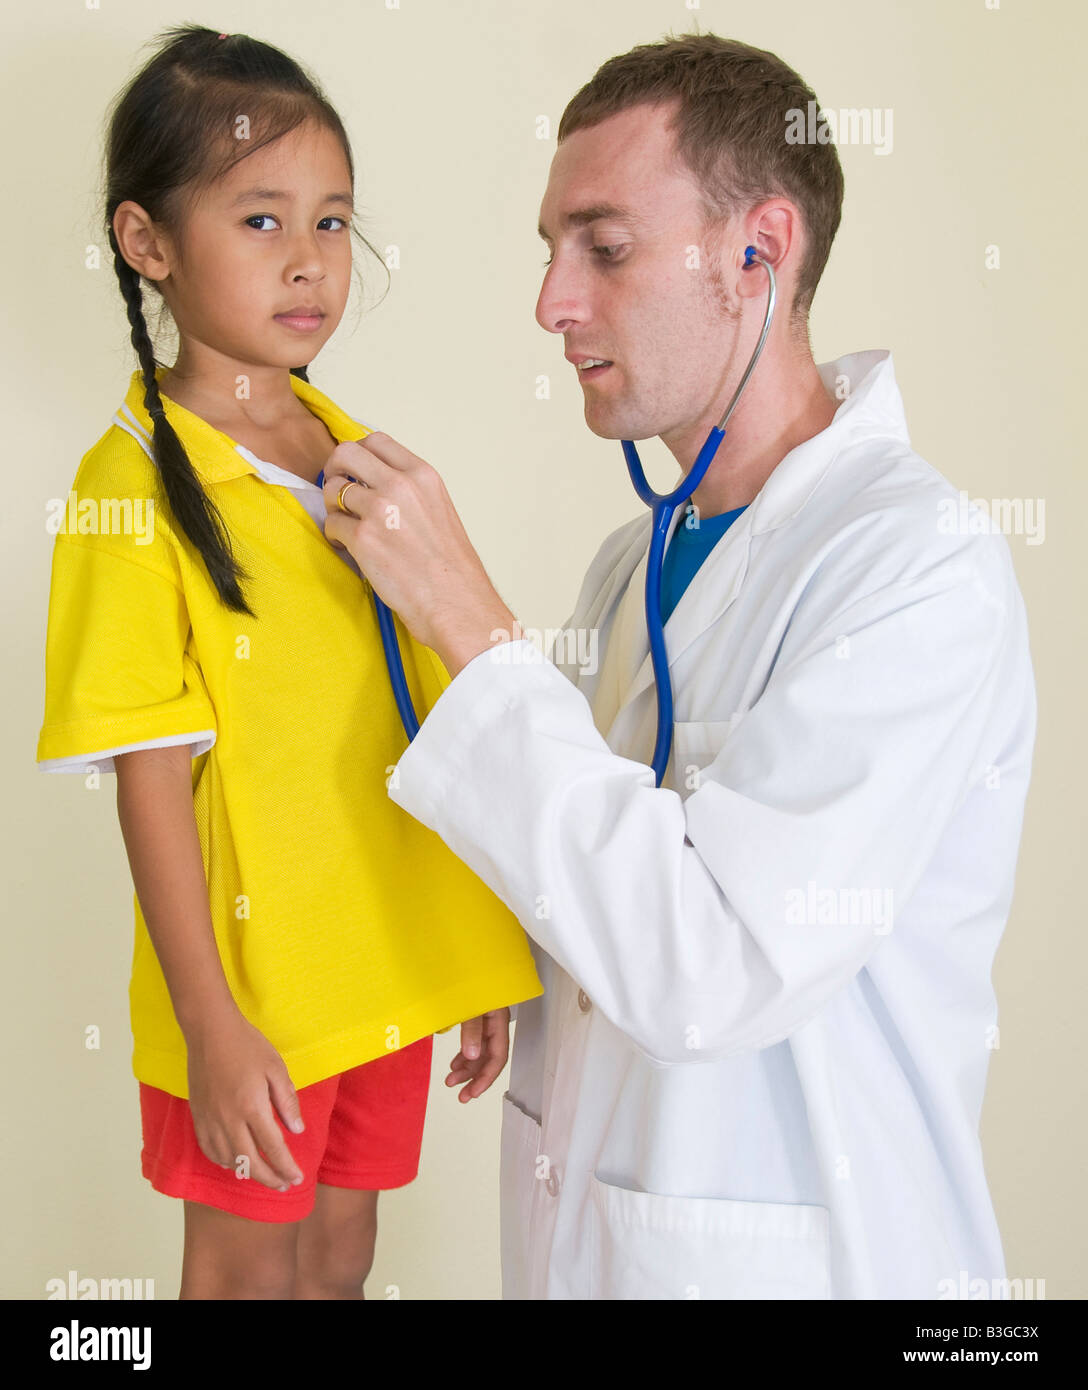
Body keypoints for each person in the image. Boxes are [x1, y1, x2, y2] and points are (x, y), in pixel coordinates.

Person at [321, 34, 1037, 1299]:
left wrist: (473, 631)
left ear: (757, 252)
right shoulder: (628, 565)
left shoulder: (916, 567)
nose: (551, 300)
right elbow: (596, 879)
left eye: (602, 247)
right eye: (550, 249)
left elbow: (705, 965)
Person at [35, 23, 542, 1301]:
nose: (310, 261)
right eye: (260, 221)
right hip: (254, 997)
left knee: (339, 1258)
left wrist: (466, 945)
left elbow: (429, 702)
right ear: (146, 241)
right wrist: (211, 1023)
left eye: (331, 221)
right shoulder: (127, 487)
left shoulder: (354, 451)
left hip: (378, 964)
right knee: (246, 1273)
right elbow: (150, 782)